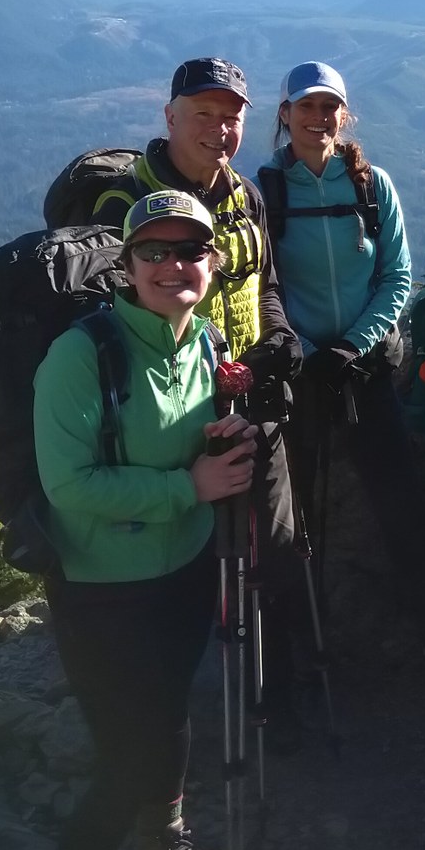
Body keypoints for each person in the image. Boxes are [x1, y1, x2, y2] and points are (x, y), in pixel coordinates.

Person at [24, 190, 259, 850]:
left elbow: (187, 436)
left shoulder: (203, 340)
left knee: (170, 717)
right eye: (152, 252)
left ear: (212, 261)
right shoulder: (81, 357)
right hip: (103, 588)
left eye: (189, 250)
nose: (172, 265)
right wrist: (187, 485)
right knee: (125, 760)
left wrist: (226, 441)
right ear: (124, 267)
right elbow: (68, 485)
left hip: (183, 565)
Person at [87, 57, 309, 740]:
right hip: (168, 414)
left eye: (232, 116)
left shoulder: (246, 195)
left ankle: (282, 699)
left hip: (252, 408)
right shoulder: (126, 202)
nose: (219, 129)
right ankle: (160, 727)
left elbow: (264, 283)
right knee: (179, 566)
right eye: (203, 114)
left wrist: (279, 341)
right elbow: (107, 313)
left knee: (277, 549)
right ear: (171, 117)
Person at [261, 61, 425, 633]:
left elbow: (397, 276)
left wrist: (353, 346)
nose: (318, 117)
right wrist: (309, 350)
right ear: (285, 115)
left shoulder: (370, 184)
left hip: (363, 368)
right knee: (298, 514)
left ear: (345, 113)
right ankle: (295, 637)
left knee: (401, 501)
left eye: (328, 106)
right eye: (305, 106)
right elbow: (263, 286)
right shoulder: (264, 192)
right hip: (303, 371)